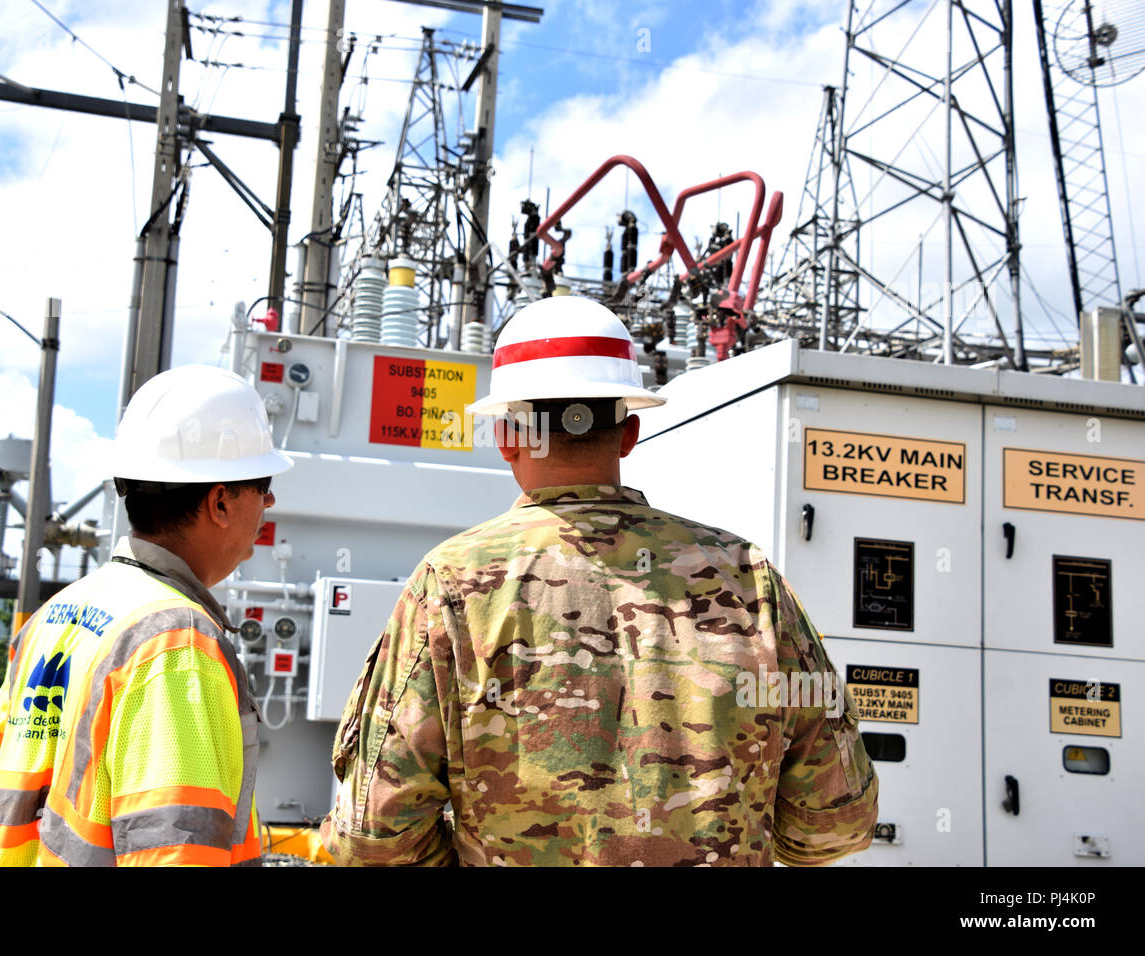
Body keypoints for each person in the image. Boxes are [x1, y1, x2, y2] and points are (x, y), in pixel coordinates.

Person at [319, 296, 878, 866]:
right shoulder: (748, 578)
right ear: (630, 434)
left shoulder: (453, 585)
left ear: (510, 436)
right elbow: (837, 823)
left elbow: (372, 838)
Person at [0, 365, 292, 866]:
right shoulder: (175, 642)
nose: (269, 503)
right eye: (262, 487)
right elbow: (175, 852)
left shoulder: (54, 615)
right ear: (220, 501)